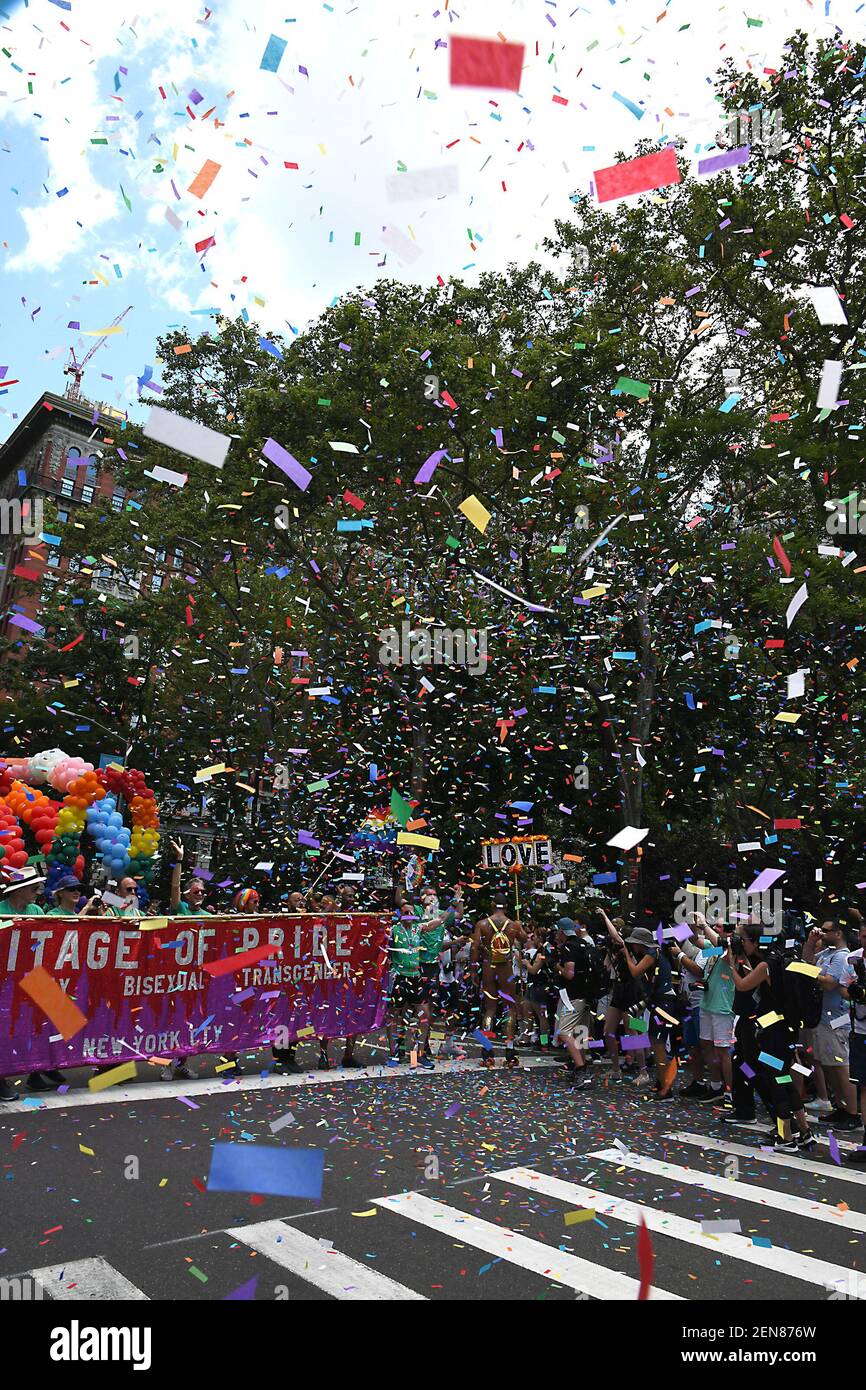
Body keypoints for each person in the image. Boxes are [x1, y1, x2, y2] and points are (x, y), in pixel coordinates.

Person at [727, 924, 815, 1153]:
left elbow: (743, 985)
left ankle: (785, 1137)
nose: (742, 944)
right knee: (784, 1078)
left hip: (771, 1032)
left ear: (757, 942)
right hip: (787, 1029)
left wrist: (731, 967)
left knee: (776, 1079)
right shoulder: (786, 960)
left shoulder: (767, 965)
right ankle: (804, 1132)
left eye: (744, 940)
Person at [0, 869, 65, 1097]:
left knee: (63, 1014)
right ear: (18, 890)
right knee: (5, 1027)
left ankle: (38, 1069)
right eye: (34, 888)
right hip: (5, 979)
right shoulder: (1, 910)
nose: (39, 892)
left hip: (34, 976)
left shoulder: (37, 910)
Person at [801, 920, 860, 1130]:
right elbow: (805, 961)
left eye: (826, 931)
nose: (821, 933)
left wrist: (808, 970)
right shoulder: (826, 953)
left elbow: (829, 983)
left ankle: (853, 1113)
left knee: (841, 1067)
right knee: (829, 1066)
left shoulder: (842, 956)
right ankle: (841, 1107)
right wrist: (810, 943)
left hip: (837, 1019)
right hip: (822, 1018)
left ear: (838, 933)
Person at [470, 896, 527, 1069]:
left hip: (488, 967)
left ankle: (487, 1052)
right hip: (506, 968)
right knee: (510, 1007)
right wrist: (519, 925)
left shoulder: (482, 924)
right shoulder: (513, 925)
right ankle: (510, 1050)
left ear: (492, 905)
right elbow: (524, 938)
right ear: (507, 906)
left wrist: (473, 969)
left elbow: (474, 947)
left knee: (490, 1008)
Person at [596, 907, 651, 1083]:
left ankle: (643, 1072)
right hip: (619, 989)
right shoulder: (619, 950)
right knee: (608, 1030)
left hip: (632, 991)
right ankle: (615, 1069)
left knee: (632, 1031)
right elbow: (607, 964)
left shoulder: (633, 949)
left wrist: (604, 915)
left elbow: (615, 936)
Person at [386, 895, 437, 1069]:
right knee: (394, 1016)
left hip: (416, 977)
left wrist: (454, 905)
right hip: (399, 978)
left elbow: (438, 921)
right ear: (400, 914)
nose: (408, 915)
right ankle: (394, 1054)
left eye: (411, 912)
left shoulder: (418, 928)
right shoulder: (393, 930)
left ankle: (420, 1055)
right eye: (405, 912)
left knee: (424, 1016)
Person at [553, 917, 602, 1088]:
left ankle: (580, 1069)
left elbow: (569, 974)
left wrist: (556, 966)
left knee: (564, 1032)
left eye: (557, 931)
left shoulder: (568, 948)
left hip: (573, 996)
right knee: (580, 1033)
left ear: (562, 931)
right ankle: (582, 1069)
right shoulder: (584, 944)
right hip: (587, 995)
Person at [697, 920, 737, 1108]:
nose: (715, 929)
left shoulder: (734, 951)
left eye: (719, 927)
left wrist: (704, 925)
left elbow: (722, 947)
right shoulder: (714, 949)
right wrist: (690, 920)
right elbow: (693, 940)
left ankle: (730, 1091)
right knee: (706, 1045)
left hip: (723, 1008)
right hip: (706, 1004)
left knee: (723, 1051)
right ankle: (715, 1086)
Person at [845, 920, 866, 1164]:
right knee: (863, 1085)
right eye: (862, 936)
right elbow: (843, 989)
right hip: (859, 1029)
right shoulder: (853, 959)